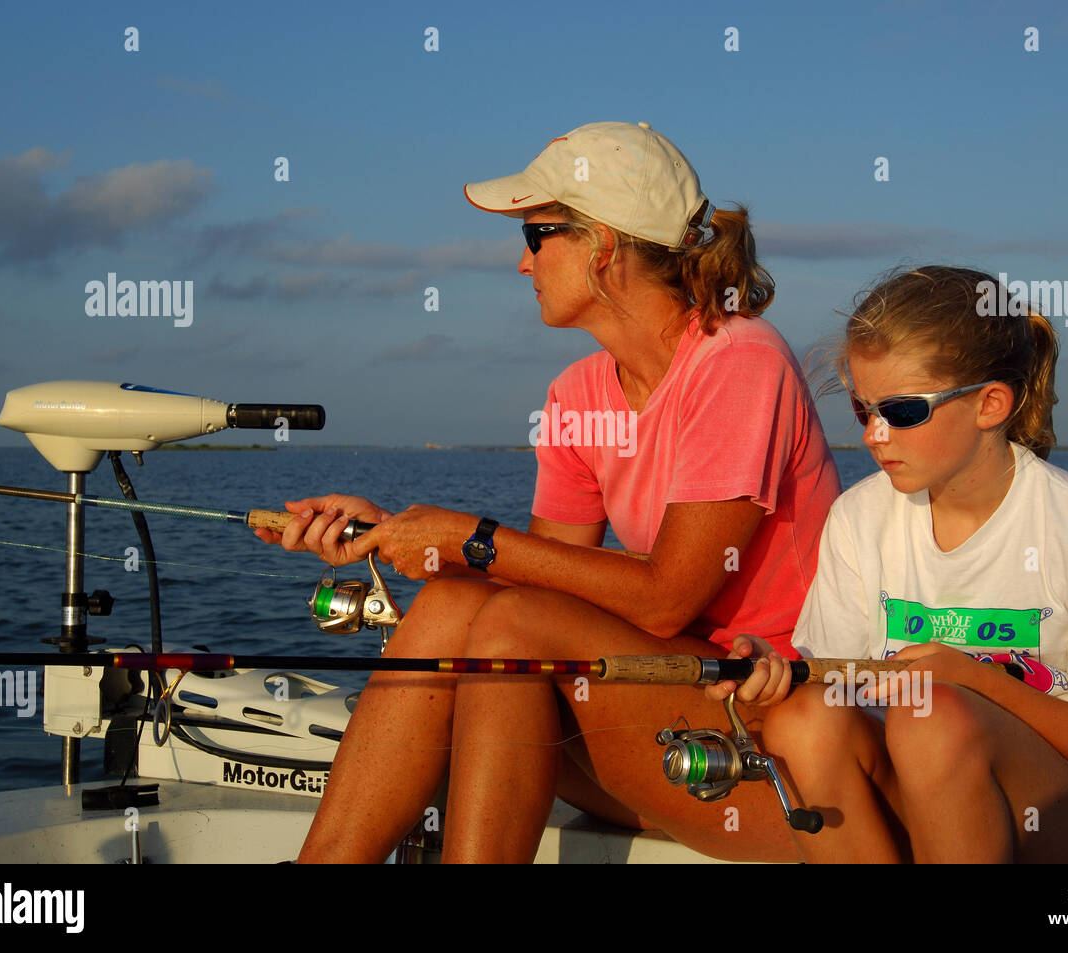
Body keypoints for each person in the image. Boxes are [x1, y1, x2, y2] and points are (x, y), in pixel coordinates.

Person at [256, 121, 840, 862]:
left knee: (512, 630)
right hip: (657, 720)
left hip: (768, 742)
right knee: (458, 603)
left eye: (536, 237)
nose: (522, 265)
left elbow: (667, 597)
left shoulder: (740, 362)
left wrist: (467, 537)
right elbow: (544, 576)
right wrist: (396, 532)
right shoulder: (576, 395)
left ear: (604, 245)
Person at [713, 265, 1068, 863]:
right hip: (911, 777)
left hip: (1054, 809)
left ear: (990, 405)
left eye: (902, 411)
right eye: (861, 408)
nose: (874, 434)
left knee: (934, 717)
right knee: (800, 719)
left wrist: (971, 681)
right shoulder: (858, 518)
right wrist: (776, 677)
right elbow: (834, 682)